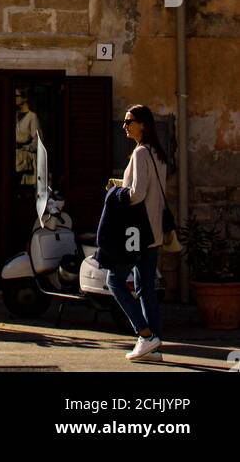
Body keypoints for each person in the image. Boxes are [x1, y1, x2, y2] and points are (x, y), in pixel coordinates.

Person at [107, 104, 168, 362]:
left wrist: (115, 193)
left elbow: (137, 195)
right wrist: (120, 183)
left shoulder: (140, 154)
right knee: (145, 288)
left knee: (114, 280)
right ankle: (154, 346)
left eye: (129, 121)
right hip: (154, 231)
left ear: (143, 124)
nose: (124, 126)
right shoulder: (157, 153)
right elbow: (149, 189)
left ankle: (144, 334)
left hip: (138, 233)